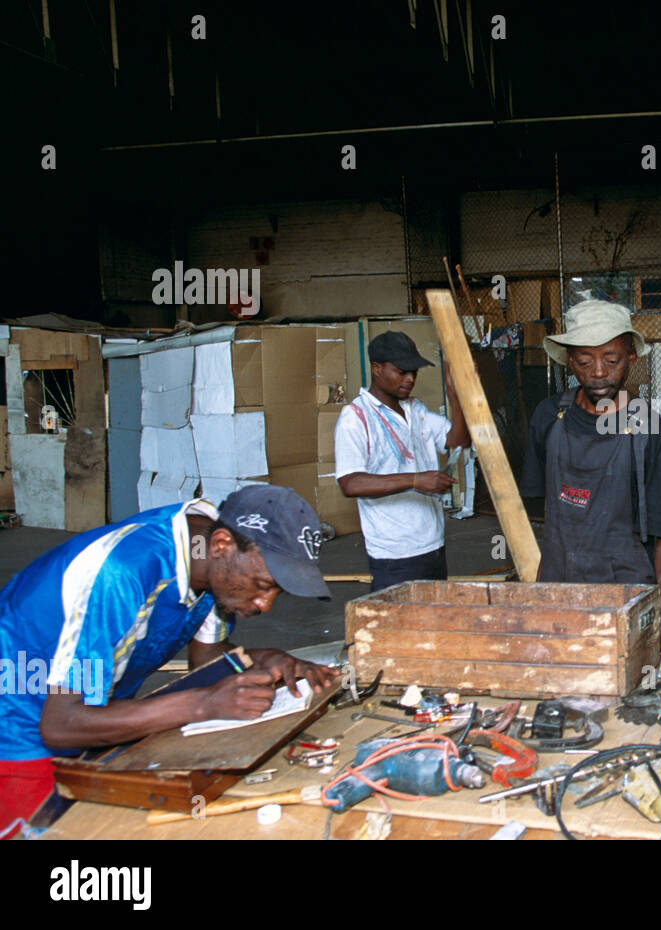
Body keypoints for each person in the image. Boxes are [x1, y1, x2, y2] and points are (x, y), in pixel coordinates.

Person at [0, 485, 339, 838]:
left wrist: (268, 659)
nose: (264, 604)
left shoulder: (207, 562)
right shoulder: (121, 574)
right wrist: (203, 704)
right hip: (19, 718)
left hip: (88, 708)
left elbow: (206, 658)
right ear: (222, 545)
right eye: (262, 585)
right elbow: (61, 725)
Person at [521, 300, 661, 652]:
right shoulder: (549, 418)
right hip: (557, 591)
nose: (598, 372)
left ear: (631, 358)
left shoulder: (651, 430)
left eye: (611, 360)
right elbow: (535, 513)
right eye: (584, 361)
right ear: (570, 361)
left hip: (625, 596)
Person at [335, 331, 470, 591]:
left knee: (432, 624)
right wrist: (416, 480)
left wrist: (456, 396)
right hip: (394, 554)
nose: (410, 379)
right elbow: (350, 483)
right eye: (401, 371)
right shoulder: (356, 417)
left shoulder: (415, 409)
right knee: (401, 628)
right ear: (376, 368)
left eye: (414, 373)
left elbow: (457, 440)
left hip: (433, 543)